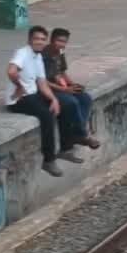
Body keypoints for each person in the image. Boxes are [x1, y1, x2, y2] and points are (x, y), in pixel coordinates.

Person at [5, 25, 84, 177]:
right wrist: (19, 86)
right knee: (47, 115)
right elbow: (11, 71)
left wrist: (53, 99)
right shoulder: (22, 53)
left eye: (42, 39)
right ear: (29, 40)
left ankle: (66, 148)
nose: (40, 42)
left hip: (33, 94)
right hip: (18, 100)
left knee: (65, 103)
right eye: (36, 39)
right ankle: (48, 160)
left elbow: (42, 83)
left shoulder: (38, 57)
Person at [43, 28, 100, 161]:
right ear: (52, 40)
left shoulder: (60, 52)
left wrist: (72, 84)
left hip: (60, 86)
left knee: (85, 98)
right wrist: (64, 90)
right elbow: (42, 81)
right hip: (47, 88)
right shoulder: (43, 56)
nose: (61, 44)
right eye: (59, 41)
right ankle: (82, 134)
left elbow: (62, 72)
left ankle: (78, 133)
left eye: (64, 42)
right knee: (71, 102)